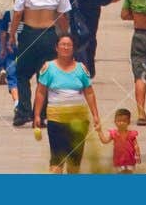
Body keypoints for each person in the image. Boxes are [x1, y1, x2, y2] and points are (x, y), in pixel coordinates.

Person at [7, 0, 71, 126]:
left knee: (22, 74)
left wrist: (12, 34)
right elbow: (63, 15)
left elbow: (18, 12)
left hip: (29, 34)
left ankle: (24, 112)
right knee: (46, 77)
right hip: (49, 35)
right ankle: (41, 114)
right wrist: (65, 36)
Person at [34, 34, 100, 173]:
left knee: (75, 163)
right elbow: (40, 92)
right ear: (56, 48)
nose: (65, 47)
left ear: (73, 48)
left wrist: (95, 115)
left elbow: (89, 92)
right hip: (56, 120)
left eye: (68, 45)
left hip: (79, 121)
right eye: (62, 45)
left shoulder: (81, 69)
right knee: (57, 160)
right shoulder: (48, 68)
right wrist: (37, 115)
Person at [99, 107, 140, 172]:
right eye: (119, 121)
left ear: (128, 122)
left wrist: (137, 155)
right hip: (118, 160)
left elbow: (136, 146)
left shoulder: (132, 134)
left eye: (124, 121)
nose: (121, 123)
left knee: (129, 173)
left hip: (130, 160)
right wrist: (99, 131)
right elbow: (105, 141)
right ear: (115, 122)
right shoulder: (113, 133)